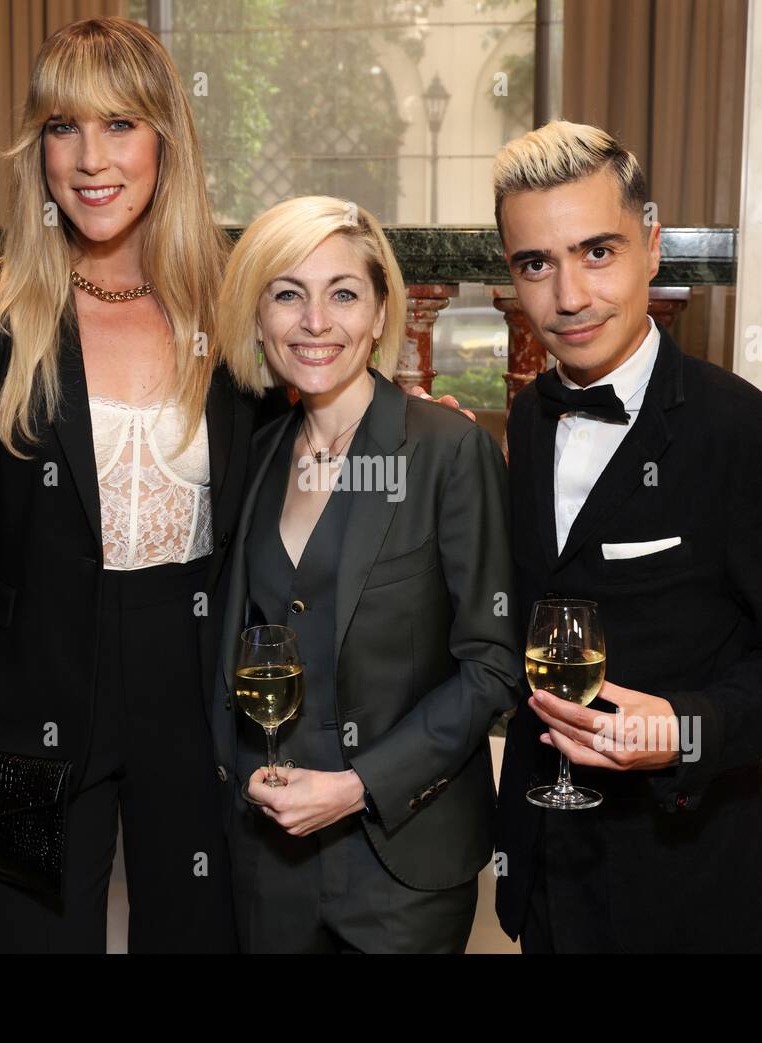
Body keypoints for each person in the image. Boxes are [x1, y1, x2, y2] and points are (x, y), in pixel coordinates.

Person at [0, 16, 266, 954]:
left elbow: (328, 409)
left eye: (122, 125)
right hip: (15, 706)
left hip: (200, 691)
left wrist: (417, 426)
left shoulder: (234, 300)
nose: (91, 159)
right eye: (63, 126)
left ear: (168, 137)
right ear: (37, 147)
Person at [492, 121, 762, 953]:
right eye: (536, 264)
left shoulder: (751, 438)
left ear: (652, 246)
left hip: (687, 890)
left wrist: (683, 727)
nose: (570, 295)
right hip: (546, 877)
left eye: (598, 251)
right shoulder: (528, 418)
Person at [211, 195, 523, 953]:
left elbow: (493, 666)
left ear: (382, 312)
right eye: (288, 293)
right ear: (257, 317)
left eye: (343, 293)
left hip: (401, 867)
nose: (316, 321)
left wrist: (357, 785)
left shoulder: (448, 450)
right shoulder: (252, 454)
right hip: (267, 857)